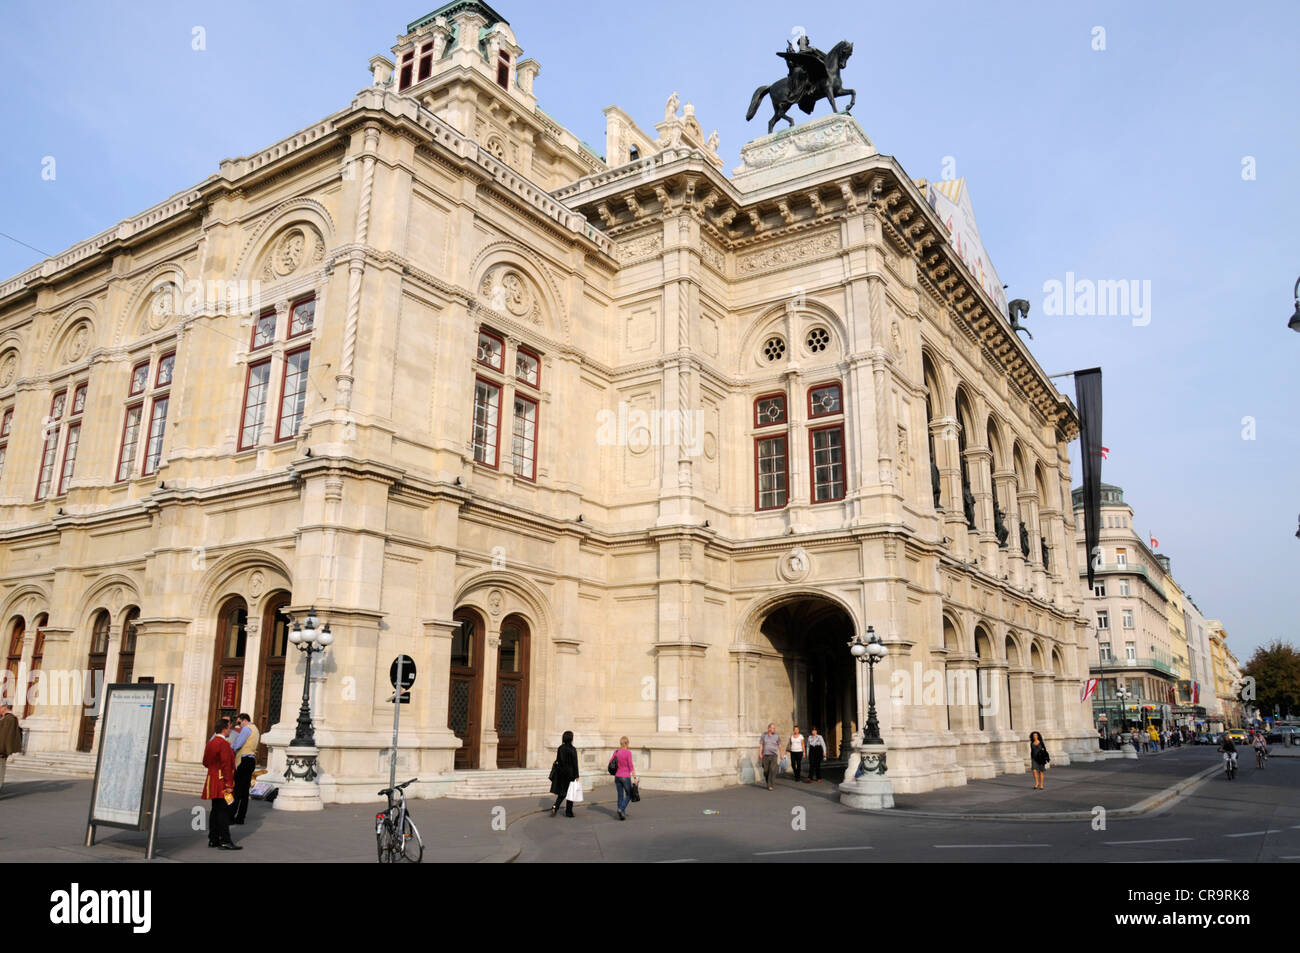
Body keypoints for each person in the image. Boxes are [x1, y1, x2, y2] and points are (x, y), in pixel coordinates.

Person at [202, 718, 241, 849]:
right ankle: (225, 840)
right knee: (224, 811)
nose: (230, 730)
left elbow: (205, 762)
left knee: (215, 810)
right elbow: (226, 765)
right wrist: (229, 784)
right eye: (229, 728)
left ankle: (213, 839)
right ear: (224, 729)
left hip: (212, 779)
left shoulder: (211, 742)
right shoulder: (223, 744)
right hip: (223, 781)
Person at [229, 713, 260, 824]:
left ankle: (231, 816)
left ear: (244, 720)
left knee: (237, 790)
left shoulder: (246, 729)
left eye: (239, 722)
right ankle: (241, 817)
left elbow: (238, 744)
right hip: (251, 760)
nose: (239, 725)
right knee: (245, 792)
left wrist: (231, 745)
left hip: (244, 760)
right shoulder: (255, 728)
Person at [549, 730, 580, 817]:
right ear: (571, 738)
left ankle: (555, 806)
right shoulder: (573, 749)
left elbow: (558, 761)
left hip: (561, 773)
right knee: (570, 793)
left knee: (562, 793)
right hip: (570, 774)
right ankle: (569, 812)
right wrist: (577, 775)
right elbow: (575, 763)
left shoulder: (560, 748)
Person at [611, 736, 637, 820]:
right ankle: (621, 809)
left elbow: (611, 762)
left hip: (617, 776)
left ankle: (622, 814)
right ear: (627, 743)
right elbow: (630, 765)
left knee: (620, 795)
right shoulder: (628, 753)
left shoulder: (616, 752)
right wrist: (635, 777)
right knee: (629, 794)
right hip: (625, 777)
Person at [0, 703, 21, 795]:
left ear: (4, 708)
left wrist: (2, 750)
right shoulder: (6, 718)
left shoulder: (10, 719)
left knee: (0, 770)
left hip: (1, 751)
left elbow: (5, 736)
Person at [758, 723, 781, 790]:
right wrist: (760, 753)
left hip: (774, 755)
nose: (774, 729)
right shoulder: (764, 735)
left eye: (774, 728)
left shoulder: (777, 736)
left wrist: (781, 754)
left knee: (772, 769)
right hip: (765, 755)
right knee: (766, 771)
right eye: (773, 728)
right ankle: (768, 782)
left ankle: (770, 785)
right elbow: (761, 745)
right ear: (769, 729)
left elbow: (779, 745)